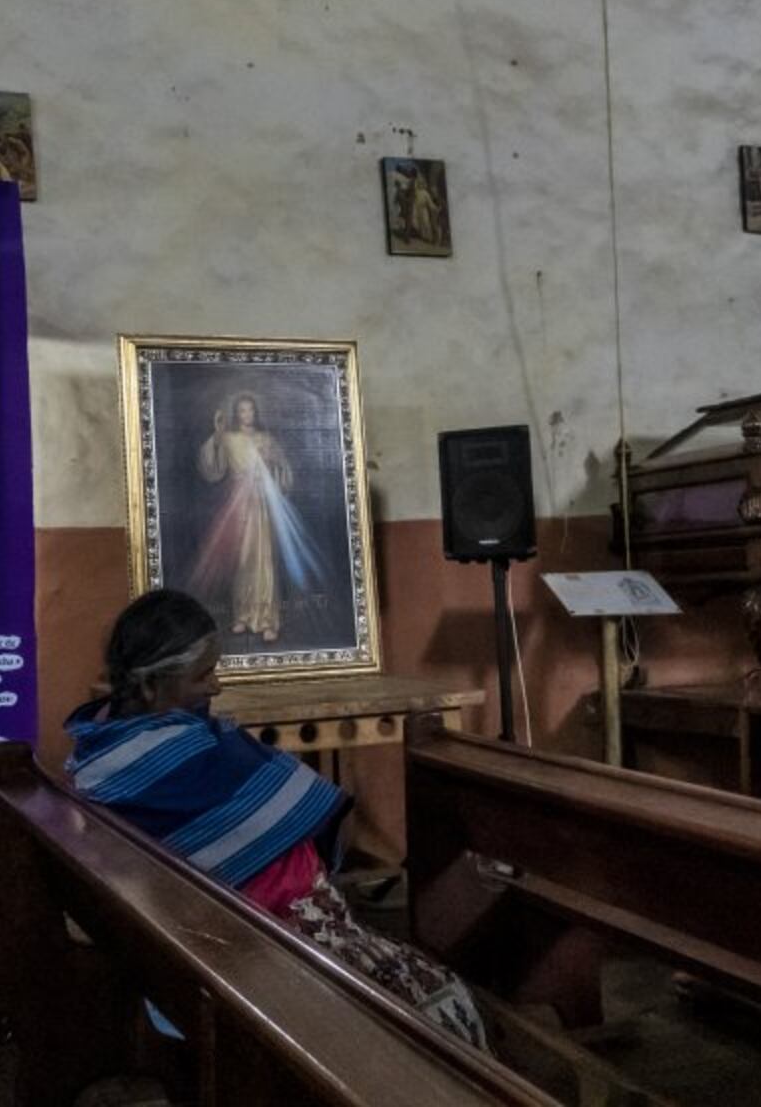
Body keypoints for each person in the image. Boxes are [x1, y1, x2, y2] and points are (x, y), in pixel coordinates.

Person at [64, 590, 488, 1049]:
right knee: (441, 1004)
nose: (216, 687)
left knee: (427, 987)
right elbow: (299, 804)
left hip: (217, 926)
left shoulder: (104, 746)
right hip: (247, 939)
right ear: (150, 685)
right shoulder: (182, 757)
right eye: (203, 675)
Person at [189, 394, 328, 643]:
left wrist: (273, 464)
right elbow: (212, 466)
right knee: (242, 561)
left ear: (256, 413)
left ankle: (267, 620)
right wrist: (217, 433)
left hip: (263, 506)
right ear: (237, 414)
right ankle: (242, 616)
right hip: (238, 507)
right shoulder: (230, 439)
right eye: (242, 411)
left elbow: (284, 471)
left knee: (264, 560)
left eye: (250, 410)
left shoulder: (266, 440)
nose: (247, 415)